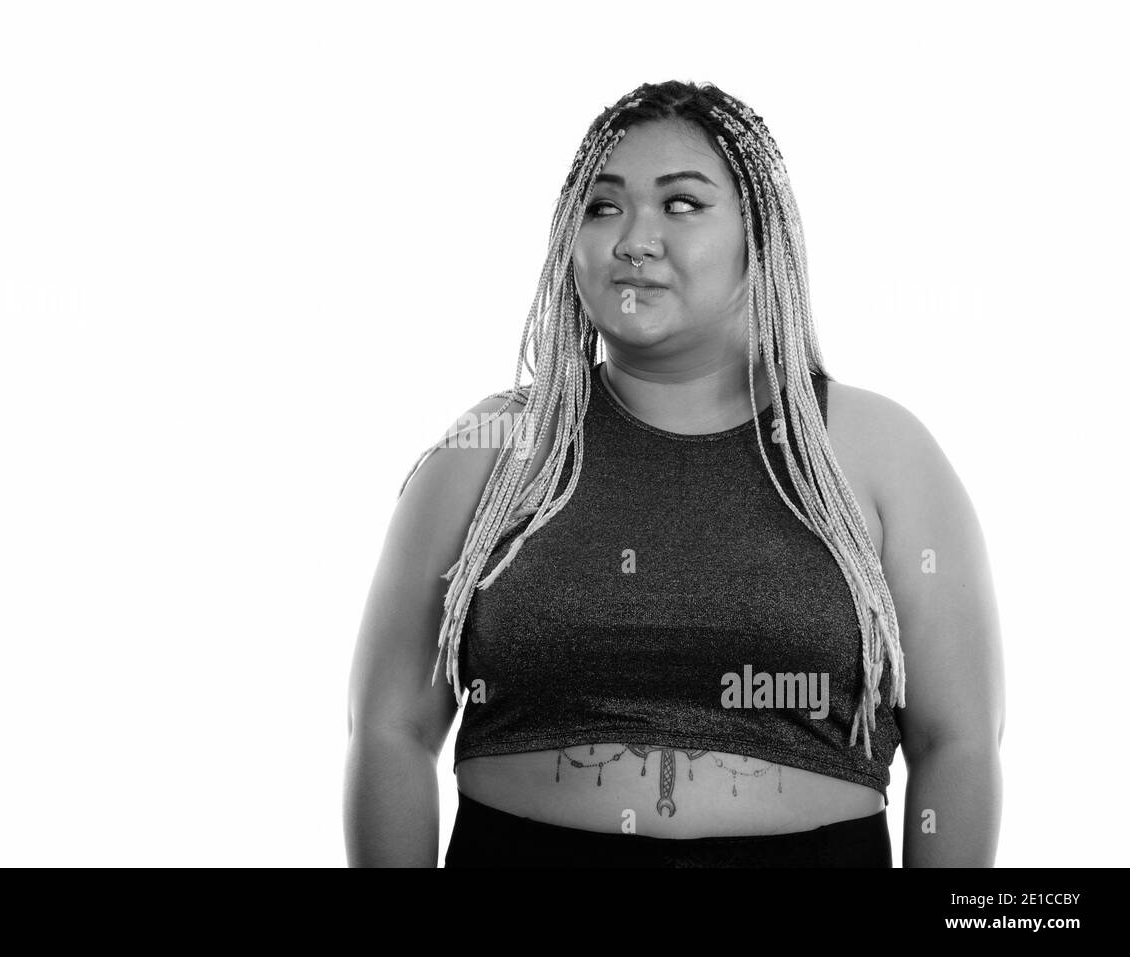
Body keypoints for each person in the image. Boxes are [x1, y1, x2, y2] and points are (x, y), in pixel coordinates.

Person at [343, 80, 1004, 867]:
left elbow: (955, 742)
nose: (634, 239)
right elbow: (390, 729)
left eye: (682, 204)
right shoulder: (493, 447)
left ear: (760, 236)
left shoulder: (876, 450)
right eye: (602, 207)